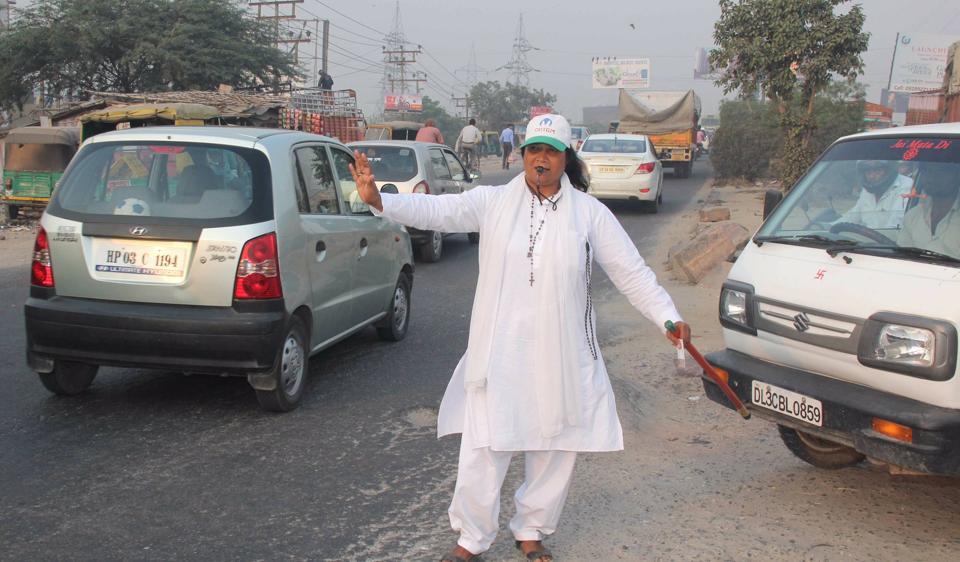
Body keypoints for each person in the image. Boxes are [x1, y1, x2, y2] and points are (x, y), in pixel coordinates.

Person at [349, 113, 691, 562]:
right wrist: (380, 199)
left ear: (566, 159)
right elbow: (439, 211)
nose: (541, 159)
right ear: (523, 156)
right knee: (485, 446)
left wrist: (668, 316)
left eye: (550, 151)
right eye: (534, 151)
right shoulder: (493, 202)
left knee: (555, 445)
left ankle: (532, 531)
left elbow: (632, 272)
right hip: (501, 350)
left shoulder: (590, 215)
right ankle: (471, 538)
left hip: (562, 351)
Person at [898, 162, 960, 258]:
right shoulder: (913, 216)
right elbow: (903, 258)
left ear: (956, 174)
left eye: (940, 171)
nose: (931, 177)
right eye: (926, 171)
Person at [837, 160, 913, 229]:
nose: (872, 176)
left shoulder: (906, 187)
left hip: (893, 243)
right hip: (868, 242)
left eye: (878, 171)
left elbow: (895, 225)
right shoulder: (867, 190)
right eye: (868, 172)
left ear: (889, 170)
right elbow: (852, 217)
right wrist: (830, 227)